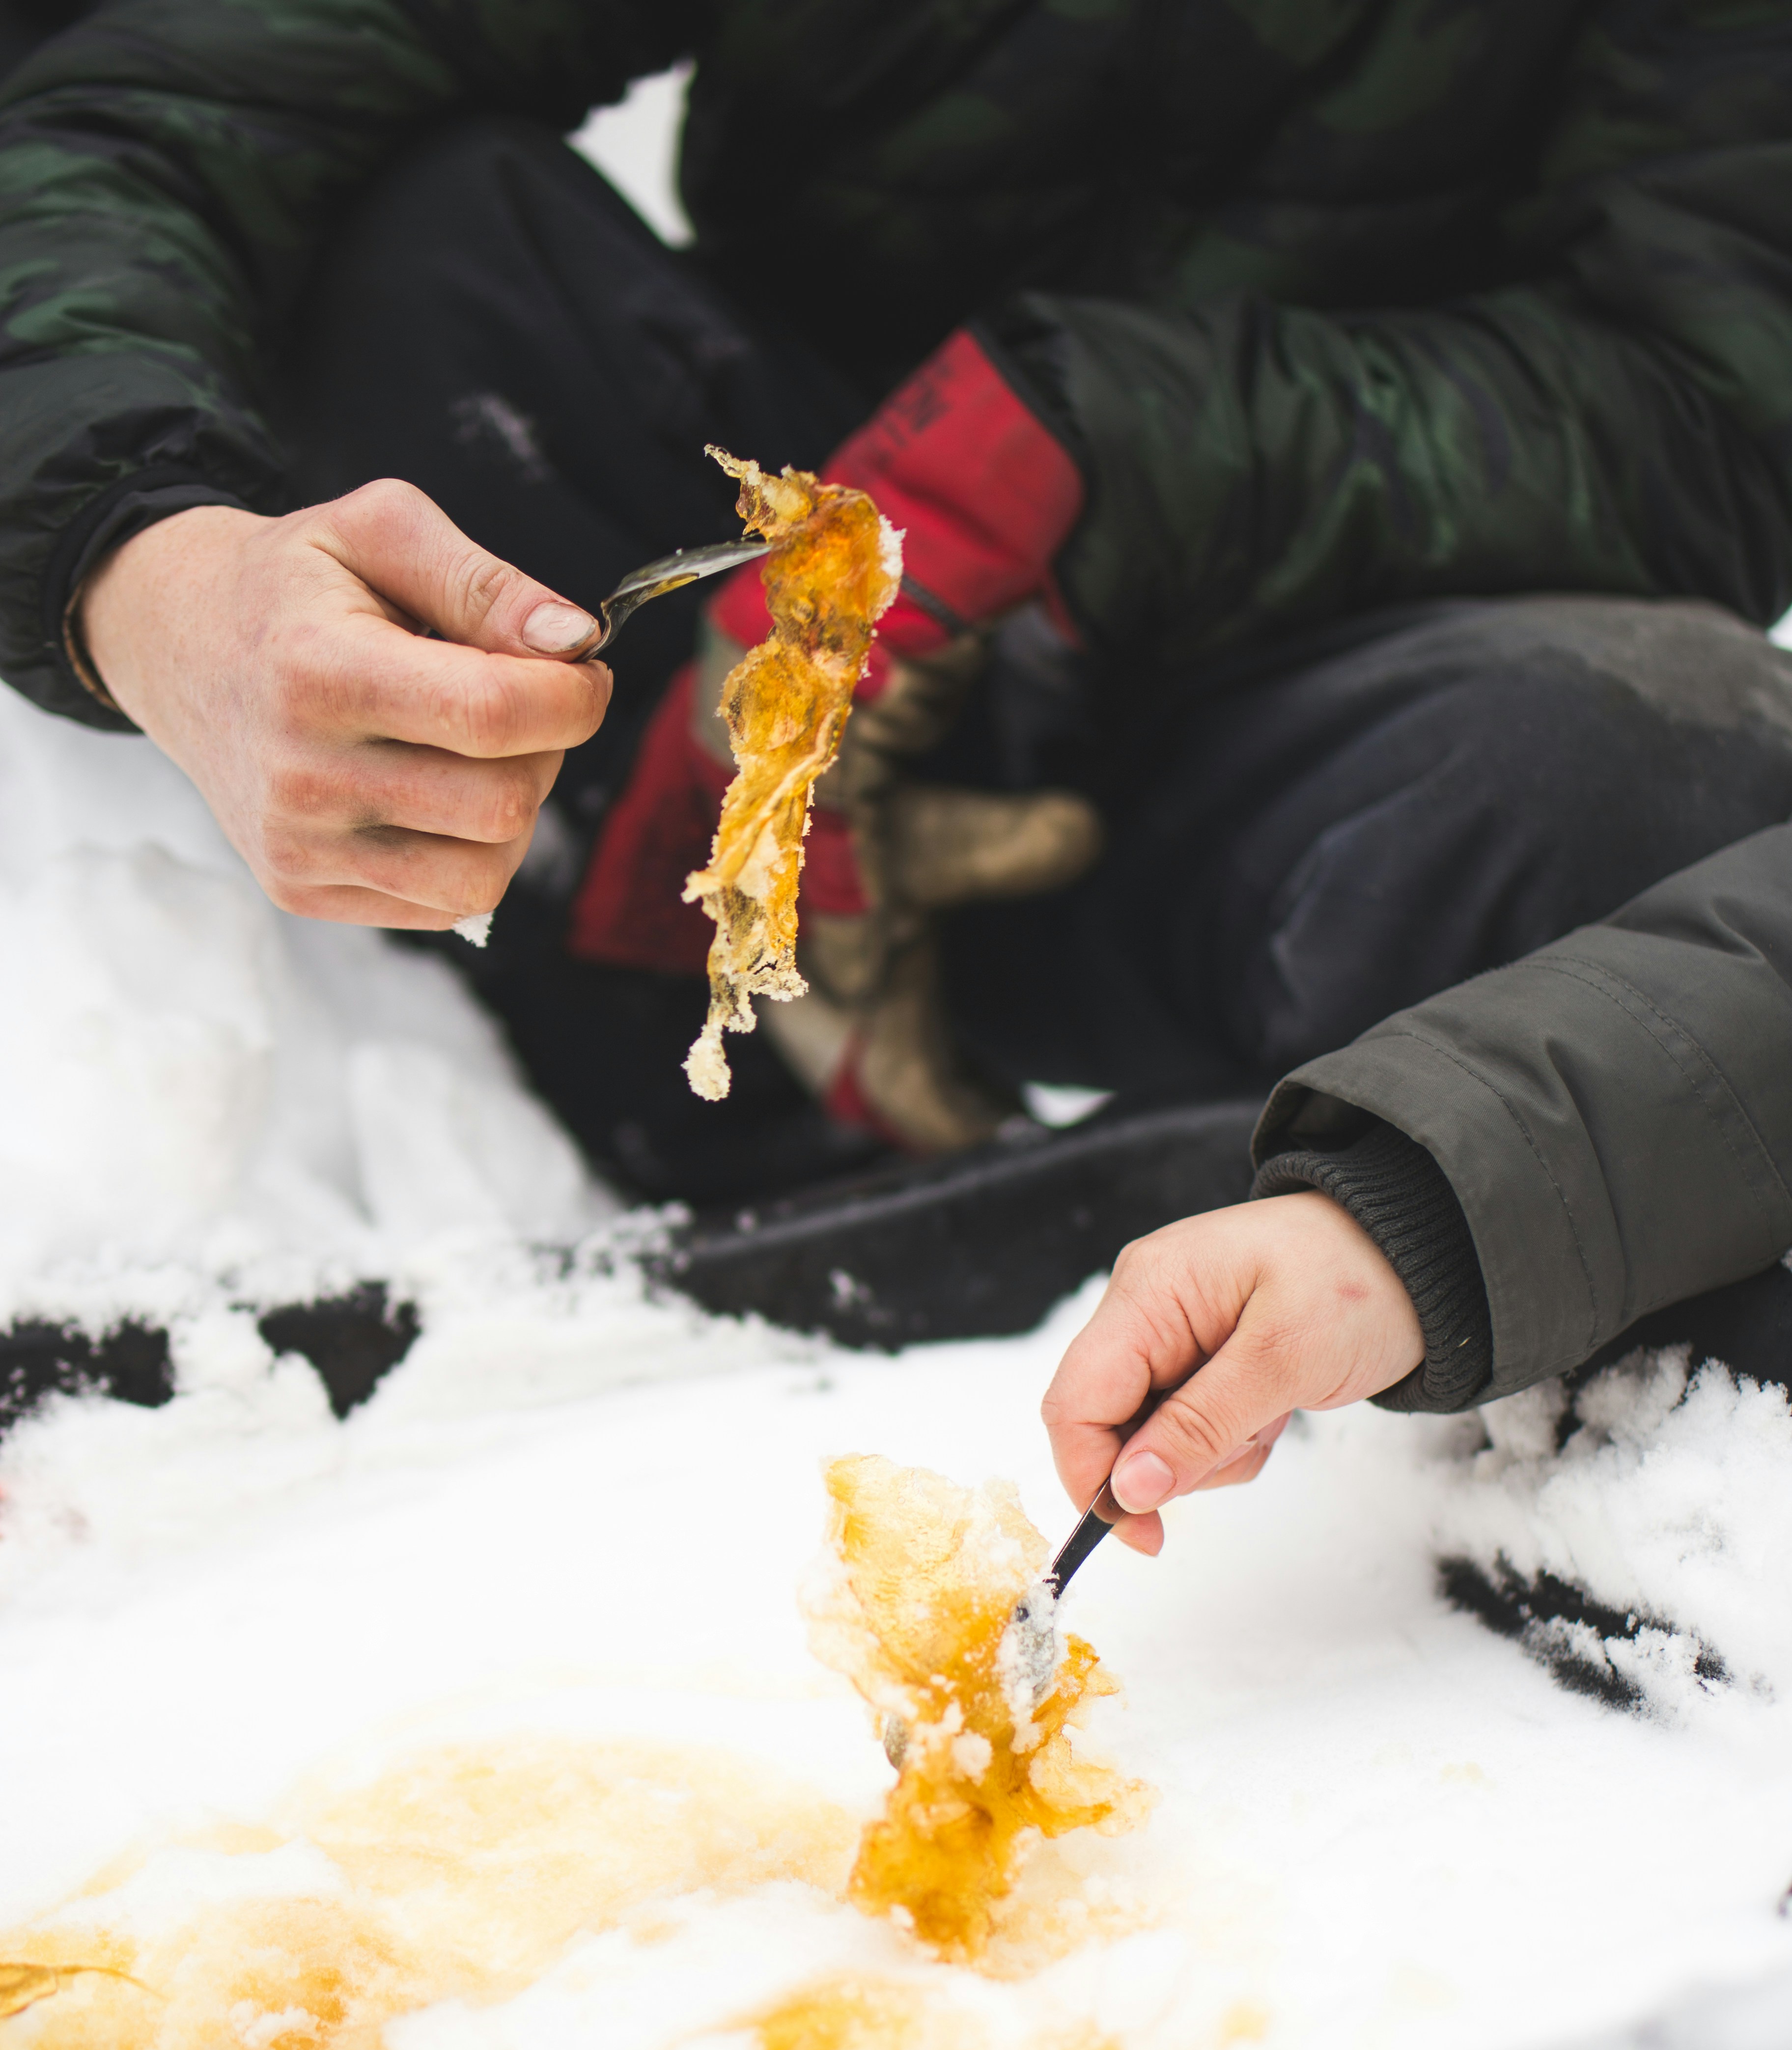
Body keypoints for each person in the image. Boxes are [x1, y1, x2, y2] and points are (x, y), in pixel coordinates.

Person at [2, 1, 1792, 1547]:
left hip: (1312, 679)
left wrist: (1099, 444)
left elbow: (1719, 415)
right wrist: (137, 566)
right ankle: (681, 1102)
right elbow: (164, 94)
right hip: (728, 560)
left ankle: (1305, 1205)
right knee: (400, 229)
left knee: (1652, 767)